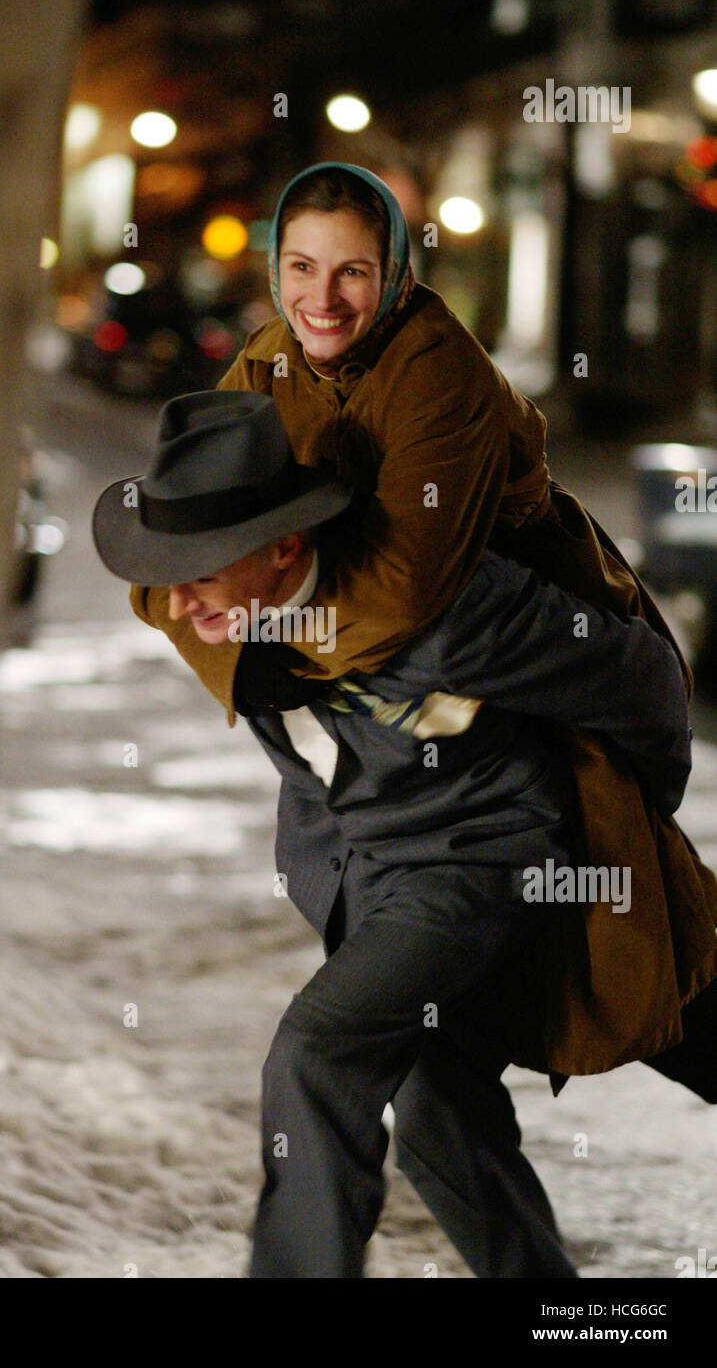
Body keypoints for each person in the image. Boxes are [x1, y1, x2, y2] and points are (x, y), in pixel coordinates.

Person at [127, 163, 717, 1091]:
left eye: (351, 271)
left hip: (527, 659)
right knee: (444, 1028)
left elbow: (407, 594)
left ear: (395, 271)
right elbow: (175, 557)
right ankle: (494, 1212)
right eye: (300, 266)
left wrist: (267, 633)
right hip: (401, 751)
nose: (322, 298)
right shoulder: (268, 361)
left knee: (635, 947)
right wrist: (243, 633)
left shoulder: (435, 368)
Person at [93, 390, 698, 1277]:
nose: (176, 605)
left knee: (316, 1056)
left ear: (284, 545)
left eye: (196, 572)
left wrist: (638, 814)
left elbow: (643, 678)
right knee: (437, 1117)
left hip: (480, 859)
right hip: (363, 876)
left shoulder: (446, 611)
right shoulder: (229, 605)